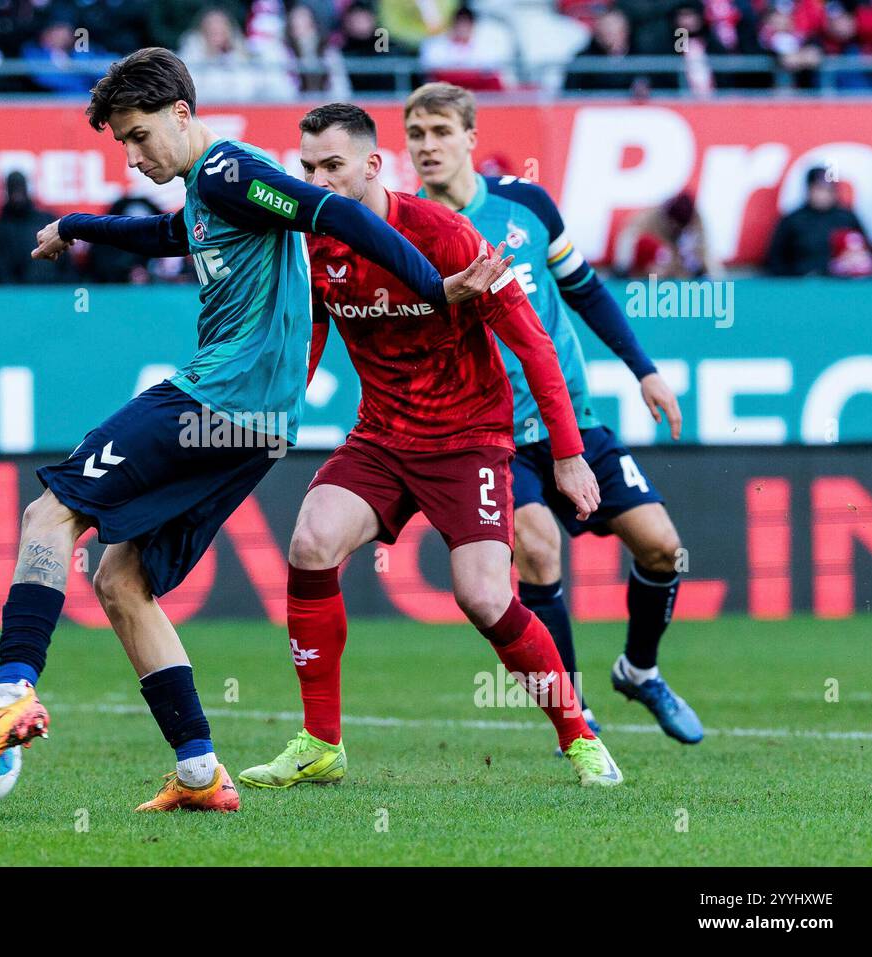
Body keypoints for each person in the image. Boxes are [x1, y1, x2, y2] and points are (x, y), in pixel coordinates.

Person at [0, 47, 486, 814]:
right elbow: (168, 236)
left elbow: (337, 212)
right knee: (122, 581)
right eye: (122, 142)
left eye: (138, 135)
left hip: (216, 398)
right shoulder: (208, 193)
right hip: (256, 426)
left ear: (182, 114)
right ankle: (199, 772)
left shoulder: (228, 170)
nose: (133, 155)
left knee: (49, 511)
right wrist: (76, 225)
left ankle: (10, 693)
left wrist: (431, 286)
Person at [237, 104, 623, 791]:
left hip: (467, 440)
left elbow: (535, 346)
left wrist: (568, 454)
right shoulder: (315, 242)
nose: (317, 182)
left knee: (483, 597)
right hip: (381, 437)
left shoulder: (446, 235)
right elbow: (311, 334)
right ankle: (321, 742)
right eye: (308, 168)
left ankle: (579, 736)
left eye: (333, 166)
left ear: (371, 165)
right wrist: (277, 410)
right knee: (310, 543)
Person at [409, 83, 704, 746]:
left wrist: (645, 369)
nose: (428, 146)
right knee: (540, 550)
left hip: (572, 419)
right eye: (417, 134)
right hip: (491, 434)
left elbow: (586, 291)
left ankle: (639, 670)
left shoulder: (529, 206)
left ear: (469, 138)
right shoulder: (407, 227)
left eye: (441, 131)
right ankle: (576, 714)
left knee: (663, 546)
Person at [766, 165, 872, 277]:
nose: (824, 195)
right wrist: (796, 275)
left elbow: (869, 255)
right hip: (801, 282)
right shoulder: (793, 220)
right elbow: (775, 260)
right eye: (819, 189)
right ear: (809, 189)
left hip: (841, 283)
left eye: (829, 190)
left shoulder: (847, 218)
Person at [614, 191, 719, 278]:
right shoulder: (652, 217)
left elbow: (705, 252)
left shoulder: (695, 223)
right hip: (654, 271)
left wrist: (705, 270)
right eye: (674, 225)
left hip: (681, 273)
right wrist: (623, 266)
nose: (676, 229)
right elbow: (628, 235)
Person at [0, 171, 68, 284]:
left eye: (20, 187)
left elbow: (66, 262)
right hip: (21, 291)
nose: (17, 194)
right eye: (13, 188)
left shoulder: (48, 220)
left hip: (55, 287)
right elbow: (2, 269)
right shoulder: (1, 227)